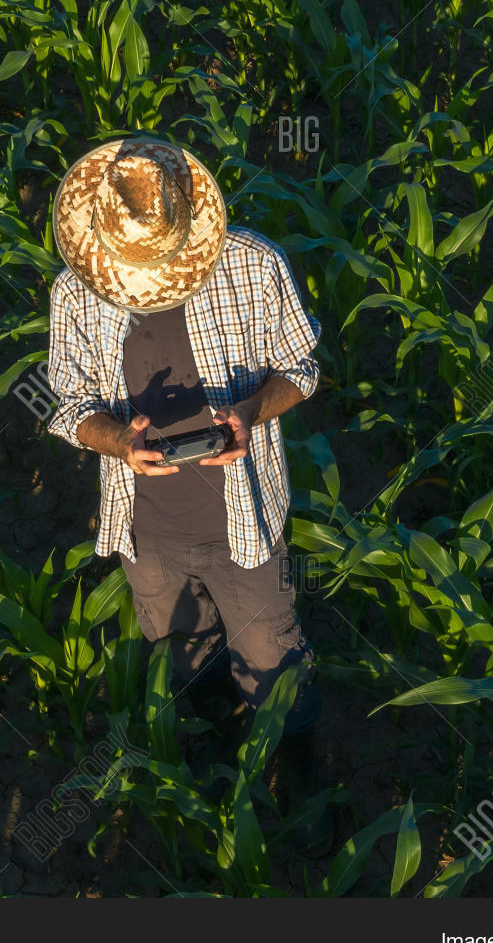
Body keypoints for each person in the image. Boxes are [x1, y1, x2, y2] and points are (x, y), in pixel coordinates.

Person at [45, 136, 332, 854]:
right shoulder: (77, 288)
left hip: (242, 518)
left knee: (272, 655)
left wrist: (250, 413)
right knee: (179, 647)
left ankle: (305, 791)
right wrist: (121, 443)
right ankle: (212, 760)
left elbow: (303, 367)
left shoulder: (252, 264)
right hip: (144, 529)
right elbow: (68, 405)